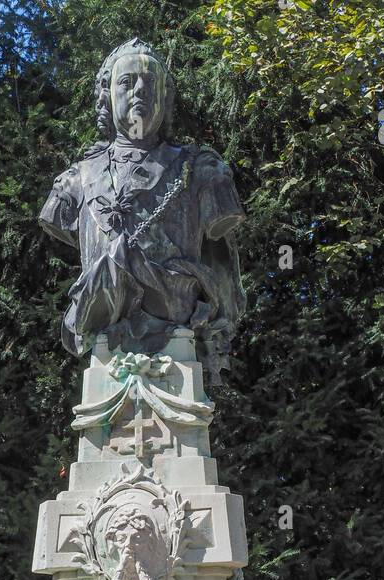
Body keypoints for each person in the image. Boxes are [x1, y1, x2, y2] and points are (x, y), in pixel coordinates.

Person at [39, 37, 246, 380]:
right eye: (127, 81)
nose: (139, 90)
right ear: (107, 95)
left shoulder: (202, 171)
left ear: (165, 97)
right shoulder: (74, 181)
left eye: (150, 83)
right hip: (106, 339)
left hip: (177, 333)